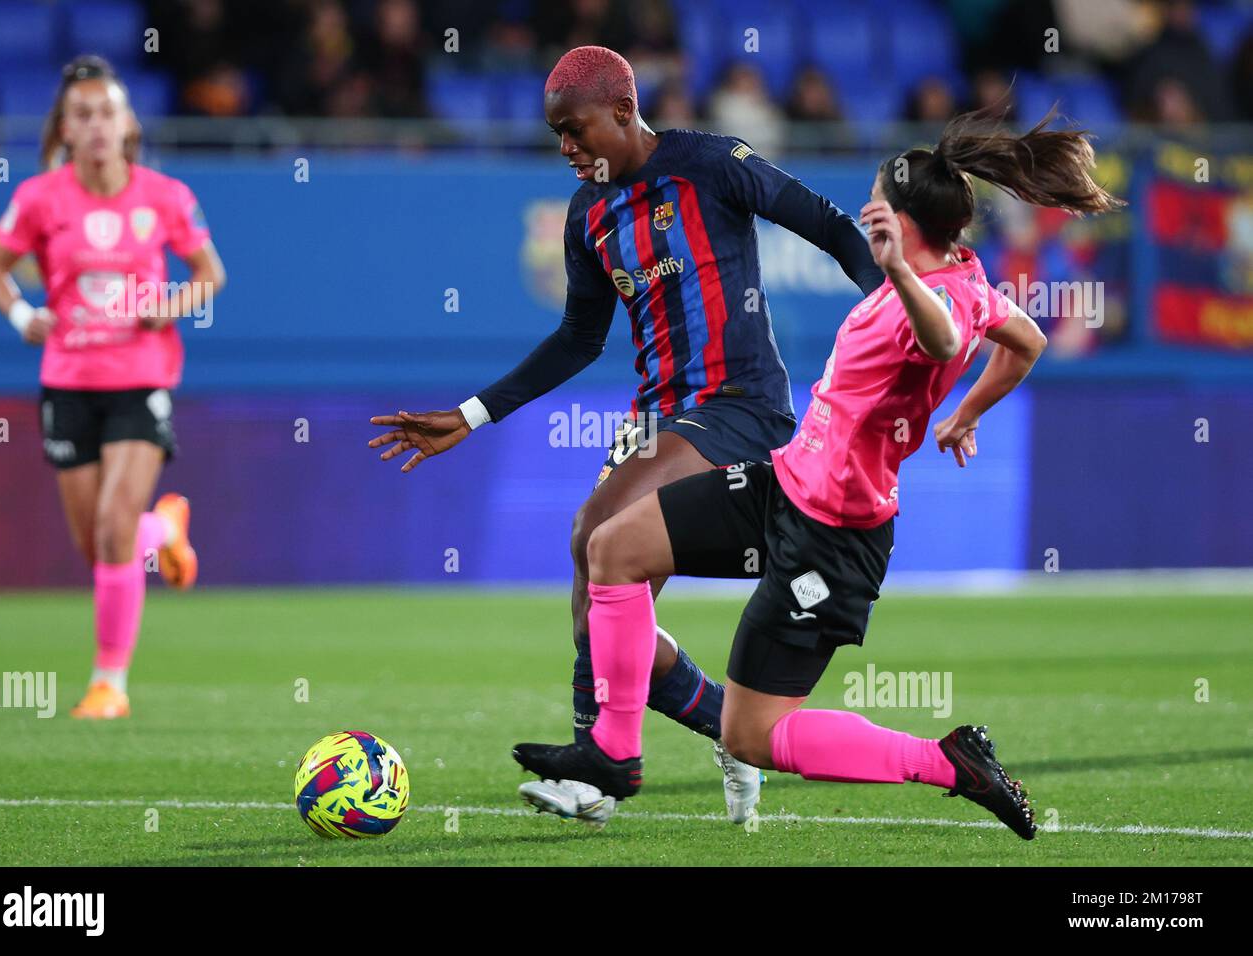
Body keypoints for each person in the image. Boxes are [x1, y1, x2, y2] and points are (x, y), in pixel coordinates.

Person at [513, 105, 1124, 839]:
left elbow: (943, 337)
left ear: (902, 223)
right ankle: (612, 756)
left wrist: (897, 274)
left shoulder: (932, 298)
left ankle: (948, 760)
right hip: (782, 485)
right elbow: (1023, 340)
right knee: (612, 546)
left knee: (752, 735)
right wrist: (967, 415)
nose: (867, 207)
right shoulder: (964, 271)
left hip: (833, 540)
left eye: (877, 198)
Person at [369, 45, 884, 826]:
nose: (567, 150)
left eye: (576, 132)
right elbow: (578, 339)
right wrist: (473, 414)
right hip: (657, 418)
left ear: (622, 112)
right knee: (600, 598)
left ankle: (597, 773)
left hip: (741, 404)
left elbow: (830, 226)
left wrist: (893, 313)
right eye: (556, 138)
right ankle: (730, 729)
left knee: (596, 529)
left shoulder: (711, 166)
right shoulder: (590, 216)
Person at [0, 56, 227, 719]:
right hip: (67, 381)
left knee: (113, 529)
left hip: (140, 377)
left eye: (107, 112)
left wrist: (171, 305)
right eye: (82, 114)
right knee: (98, 544)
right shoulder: (39, 198)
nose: (96, 125)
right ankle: (164, 531)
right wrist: (22, 315)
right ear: (64, 128)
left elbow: (210, 273)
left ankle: (108, 683)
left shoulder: (165, 196)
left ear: (128, 123)